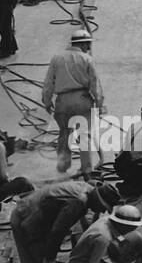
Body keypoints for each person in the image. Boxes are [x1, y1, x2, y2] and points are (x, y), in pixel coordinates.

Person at [41, 27, 105, 175]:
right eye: (88, 44)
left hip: (62, 102)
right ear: (82, 44)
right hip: (82, 101)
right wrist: (99, 104)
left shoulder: (57, 58)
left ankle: (63, 166)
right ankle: (86, 168)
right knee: (85, 135)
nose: (89, 48)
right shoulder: (87, 59)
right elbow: (95, 84)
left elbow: (48, 82)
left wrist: (47, 101)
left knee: (64, 133)